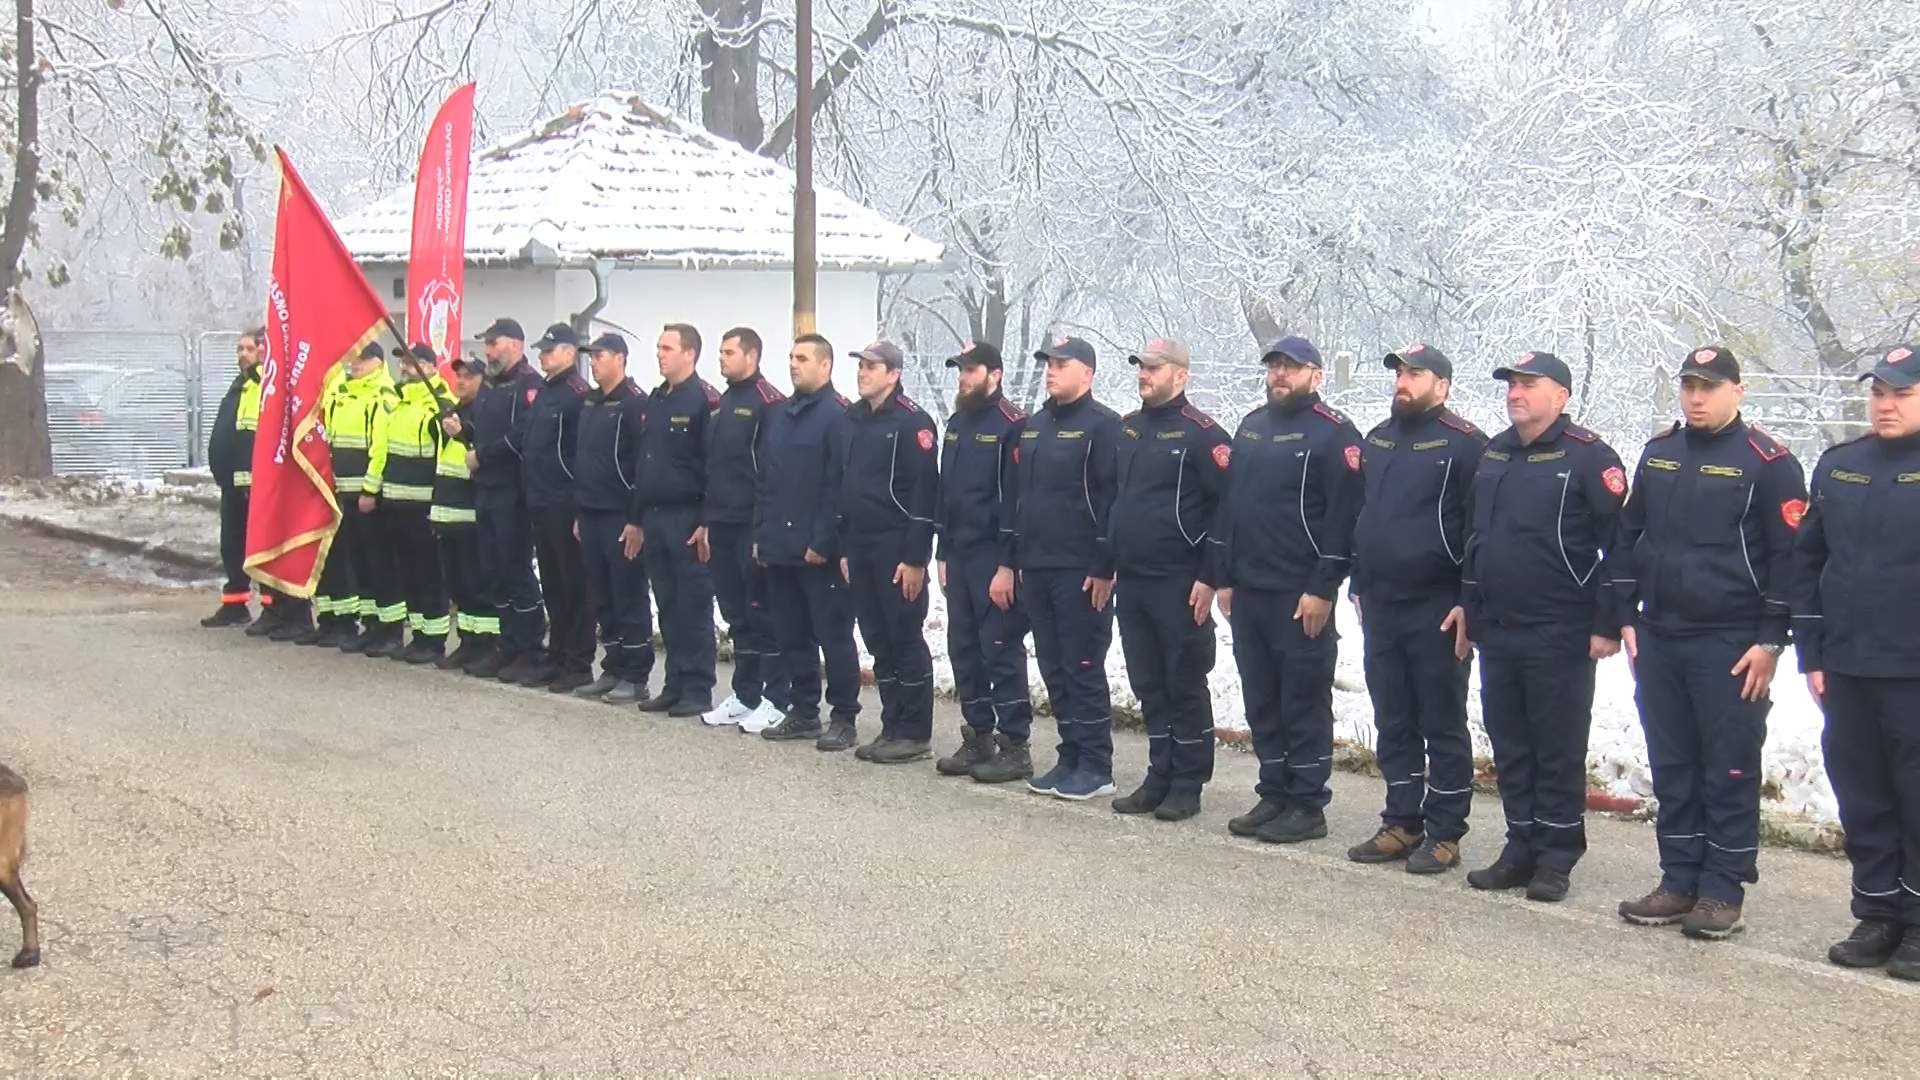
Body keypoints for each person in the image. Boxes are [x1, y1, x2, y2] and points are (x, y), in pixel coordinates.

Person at [1610, 346, 1805, 940]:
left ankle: (1722, 889)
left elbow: (1791, 561)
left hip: (1730, 642)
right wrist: (1624, 613)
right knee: (1674, 764)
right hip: (1661, 635)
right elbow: (1628, 534)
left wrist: (1771, 641)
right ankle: (1678, 880)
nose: (1696, 397)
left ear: (1737, 392)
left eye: (1710, 387)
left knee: (1728, 767)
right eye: (1689, 385)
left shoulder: (1768, 463)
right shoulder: (1660, 454)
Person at [1460, 350, 1626, 903]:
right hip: (1500, 627)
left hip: (1560, 628)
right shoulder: (1495, 454)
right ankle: (1519, 846)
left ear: (1560, 396)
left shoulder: (1587, 457)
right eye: (1511, 384)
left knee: (1555, 746)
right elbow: (1476, 539)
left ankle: (1557, 855)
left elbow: (1620, 547)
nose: (1515, 393)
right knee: (1510, 744)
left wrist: (1607, 621)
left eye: (1529, 384)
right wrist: (1470, 605)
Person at [1792, 343, 1920, 979]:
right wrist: (1811, 652)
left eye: (1902, 393)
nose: (1886, 405)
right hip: (1848, 666)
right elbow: (1809, 564)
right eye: (1879, 394)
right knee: (1864, 794)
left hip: (1913, 669)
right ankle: (1878, 913)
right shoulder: (1842, 466)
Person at [1346, 343, 1485, 873]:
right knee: (1393, 716)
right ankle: (1401, 820)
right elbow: (1365, 515)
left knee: (1441, 720)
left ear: (1442, 385)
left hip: (1437, 607)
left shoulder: (1466, 445)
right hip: (1382, 603)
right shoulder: (1378, 440)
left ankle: (1446, 831)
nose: (1402, 382)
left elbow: (1479, 531)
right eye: (1399, 374)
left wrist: (1465, 600)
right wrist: (1359, 579)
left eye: (1415, 374)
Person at [1217, 336, 1363, 844]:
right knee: (1263, 698)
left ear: (1315, 377)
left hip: (1300, 594)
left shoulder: (1333, 434)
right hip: (1251, 589)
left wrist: (1323, 587)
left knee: (1302, 698)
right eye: (1275, 366)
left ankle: (1307, 803)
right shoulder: (1252, 427)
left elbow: (1344, 519)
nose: (1281, 374)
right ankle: (1274, 791)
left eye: (1293, 367)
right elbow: (1232, 506)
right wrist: (1226, 576)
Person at [1107, 338, 1230, 822]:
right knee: (1148, 683)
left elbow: (1225, 512)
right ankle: (1159, 773)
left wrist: (1210, 575)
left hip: (1180, 580)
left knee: (1183, 682)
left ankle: (1188, 781)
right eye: (1141, 367)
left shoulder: (1202, 435)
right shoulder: (1129, 430)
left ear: (1180, 375)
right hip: (1134, 577)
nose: (1144, 375)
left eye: (1155, 368)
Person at [1008, 336, 1122, 802]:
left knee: (1081, 664)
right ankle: (1070, 754)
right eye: (1047, 364)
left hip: (1080, 569)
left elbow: (1111, 500)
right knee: (1054, 666)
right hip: (1037, 565)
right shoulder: (1033, 426)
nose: (1051, 371)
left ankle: (1095, 763)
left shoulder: (1104, 426)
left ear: (1087, 373)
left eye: (1061, 364)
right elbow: (1021, 498)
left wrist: (1103, 564)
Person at [931, 342, 1034, 783]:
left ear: (994, 375)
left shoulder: (1012, 426)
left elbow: (1016, 501)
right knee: (964, 648)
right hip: (959, 554)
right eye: (959, 370)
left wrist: (1007, 565)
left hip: (994, 557)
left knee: (999, 649)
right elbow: (947, 493)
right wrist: (941, 552)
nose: (963, 378)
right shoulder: (956, 424)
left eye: (971, 371)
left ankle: (1015, 745)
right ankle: (977, 737)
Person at [754, 334, 862, 750]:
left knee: (832, 634)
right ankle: (803, 711)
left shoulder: (839, 416)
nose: (793, 364)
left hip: (818, 551)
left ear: (826, 366)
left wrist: (823, 540)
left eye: (802, 358)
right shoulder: (780, 414)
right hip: (779, 545)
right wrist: (761, 534)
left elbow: (836, 486)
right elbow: (767, 479)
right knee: (791, 633)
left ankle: (844, 716)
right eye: (791, 357)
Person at [836, 340, 940, 764]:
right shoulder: (853, 419)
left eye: (871, 367)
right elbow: (844, 486)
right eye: (860, 366)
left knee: (903, 637)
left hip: (896, 549)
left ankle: (914, 732)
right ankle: (892, 725)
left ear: (893, 374)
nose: (862, 373)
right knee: (877, 638)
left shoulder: (912, 421)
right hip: (860, 547)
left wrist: (916, 558)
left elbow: (924, 493)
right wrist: (844, 547)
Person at [700, 326, 791, 733]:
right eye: (720, 351)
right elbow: (714, 468)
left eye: (728, 352)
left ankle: (777, 696)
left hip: (751, 527)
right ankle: (746, 693)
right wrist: (705, 520)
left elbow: (771, 472)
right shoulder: (721, 404)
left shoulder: (767, 403)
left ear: (751, 356)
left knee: (763, 616)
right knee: (736, 615)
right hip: (720, 523)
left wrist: (762, 530)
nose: (721, 358)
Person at [629, 323, 721, 717]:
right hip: (654, 514)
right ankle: (674, 682)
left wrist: (705, 520)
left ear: (690, 354)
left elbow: (712, 466)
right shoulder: (657, 398)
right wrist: (635, 519)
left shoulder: (703, 400)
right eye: (658, 348)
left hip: (687, 517)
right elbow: (644, 463)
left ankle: (697, 686)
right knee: (666, 603)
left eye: (668, 348)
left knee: (692, 604)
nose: (660, 355)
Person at [571, 333, 654, 704]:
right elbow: (583, 460)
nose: (593, 361)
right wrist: (579, 511)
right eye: (590, 356)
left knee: (628, 595)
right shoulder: (589, 401)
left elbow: (641, 466)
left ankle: (636, 674)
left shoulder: (633, 403)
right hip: (590, 512)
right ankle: (614, 666)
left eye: (599, 355)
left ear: (620, 358)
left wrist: (635, 520)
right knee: (602, 596)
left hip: (620, 515)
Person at [466, 318, 547, 680]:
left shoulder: (529, 385)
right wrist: (462, 433)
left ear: (515, 344)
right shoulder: (490, 386)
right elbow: (480, 431)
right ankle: (508, 643)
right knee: (493, 570)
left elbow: (522, 435)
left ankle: (530, 649)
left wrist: (484, 454)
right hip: (485, 489)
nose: (488, 351)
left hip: (513, 493)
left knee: (516, 571)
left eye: (493, 343)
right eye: (486, 344)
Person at [518, 323, 596, 692]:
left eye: (549, 350)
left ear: (569, 353)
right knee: (552, 582)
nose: (542, 356)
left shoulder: (576, 395)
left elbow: (580, 454)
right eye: (541, 351)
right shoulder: (545, 392)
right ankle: (559, 653)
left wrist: (577, 503)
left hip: (564, 502)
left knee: (573, 585)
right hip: (540, 499)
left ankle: (578, 661)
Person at [370, 343, 459, 664]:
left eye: (411, 364)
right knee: (408, 575)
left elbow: (447, 461)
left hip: (424, 509)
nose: (404, 369)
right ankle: (419, 636)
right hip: (396, 506)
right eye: (403, 364)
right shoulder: (400, 404)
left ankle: (433, 640)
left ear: (430, 366)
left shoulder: (442, 406)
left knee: (429, 575)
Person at [308, 342, 399, 653]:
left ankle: (388, 629)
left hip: (365, 496)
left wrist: (369, 490)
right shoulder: (340, 392)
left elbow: (380, 448)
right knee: (356, 560)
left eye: (363, 359)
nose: (355, 364)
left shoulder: (383, 395)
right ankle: (369, 624)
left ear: (378, 361)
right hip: (339, 492)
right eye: (353, 358)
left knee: (378, 562)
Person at [430, 357, 499, 672]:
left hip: (471, 513)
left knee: (477, 584)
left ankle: (485, 644)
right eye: (458, 376)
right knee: (457, 584)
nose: (460, 381)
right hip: (447, 511)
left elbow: (483, 452)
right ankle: (467, 641)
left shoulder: (484, 412)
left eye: (468, 376)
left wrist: (462, 434)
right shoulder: (453, 411)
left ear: (482, 380)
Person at [202, 327, 266, 628]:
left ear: (263, 350)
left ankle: (273, 608)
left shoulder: (266, 387)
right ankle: (235, 604)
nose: (242, 354)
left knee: (261, 547)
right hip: (232, 483)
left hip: (255, 485)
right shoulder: (240, 385)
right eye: (239, 349)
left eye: (248, 349)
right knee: (231, 545)